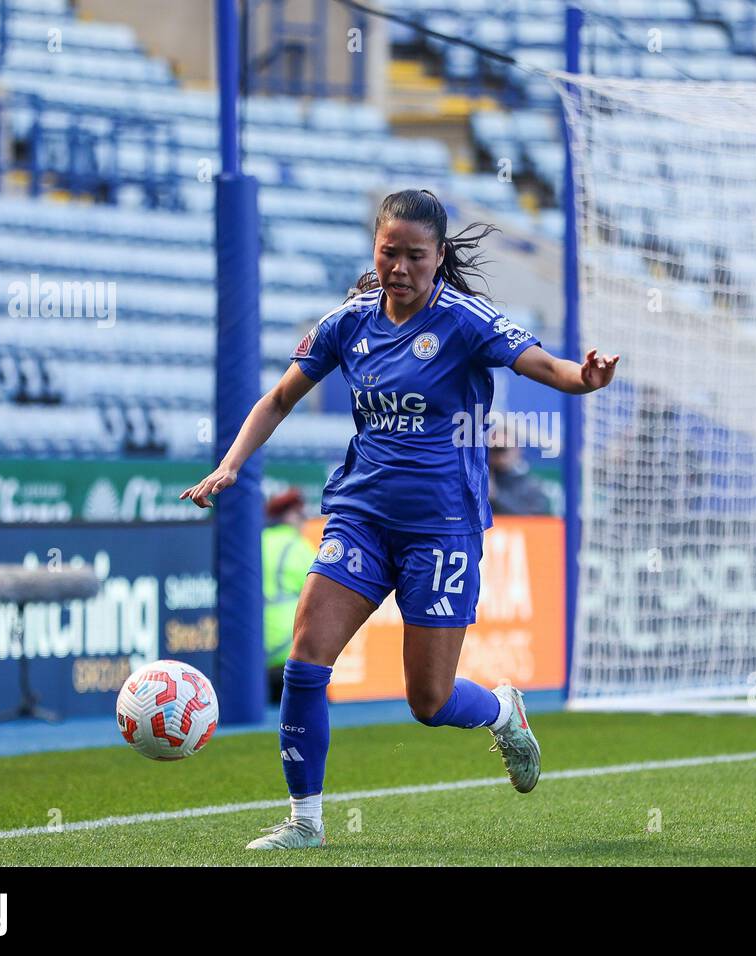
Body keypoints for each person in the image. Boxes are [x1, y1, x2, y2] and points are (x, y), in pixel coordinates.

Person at [181, 189, 619, 850]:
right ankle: (305, 823)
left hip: (442, 530)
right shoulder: (347, 324)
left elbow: (544, 365)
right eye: (390, 253)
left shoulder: (466, 320)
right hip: (359, 517)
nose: (401, 268)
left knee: (430, 701)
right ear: (375, 249)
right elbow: (277, 398)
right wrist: (231, 463)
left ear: (439, 257)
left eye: (416, 256)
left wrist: (583, 377)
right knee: (306, 657)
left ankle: (501, 711)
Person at [262, 488, 317, 703]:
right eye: (301, 516)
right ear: (290, 515)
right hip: (288, 649)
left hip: (255, 652)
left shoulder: (258, 541)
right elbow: (321, 592)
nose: (303, 522)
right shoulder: (297, 546)